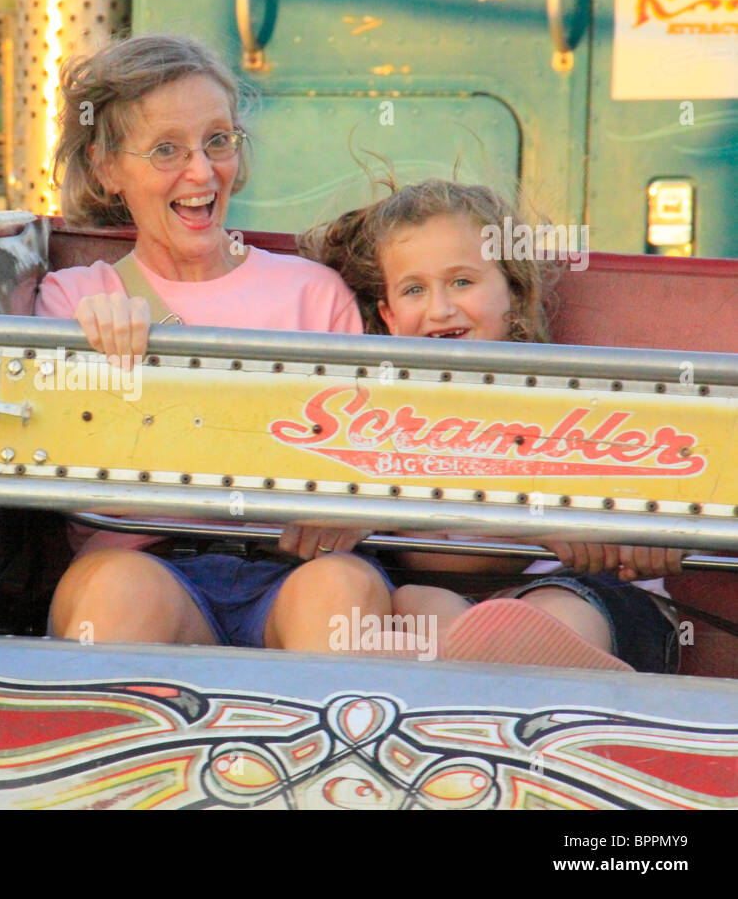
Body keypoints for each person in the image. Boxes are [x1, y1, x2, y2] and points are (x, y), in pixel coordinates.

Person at [35, 33, 377, 653]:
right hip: (151, 564)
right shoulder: (78, 298)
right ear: (108, 168)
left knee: (340, 599)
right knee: (118, 597)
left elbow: (368, 450)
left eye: (217, 142)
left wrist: (354, 501)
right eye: (167, 150)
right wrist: (90, 349)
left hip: (289, 570)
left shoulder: (315, 293)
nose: (201, 171)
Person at [297, 178, 683, 672]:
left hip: (591, 595)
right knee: (417, 601)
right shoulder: (382, 421)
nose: (440, 308)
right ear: (390, 315)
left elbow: (669, 480)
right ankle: (500, 674)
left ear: (513, 294)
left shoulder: (567, 398)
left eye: (462, 282)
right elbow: (441, 562)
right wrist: (537, 527)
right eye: (415, 289)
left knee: (554, 606)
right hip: (461, 608)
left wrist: (658, 531)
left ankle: (556, 670)